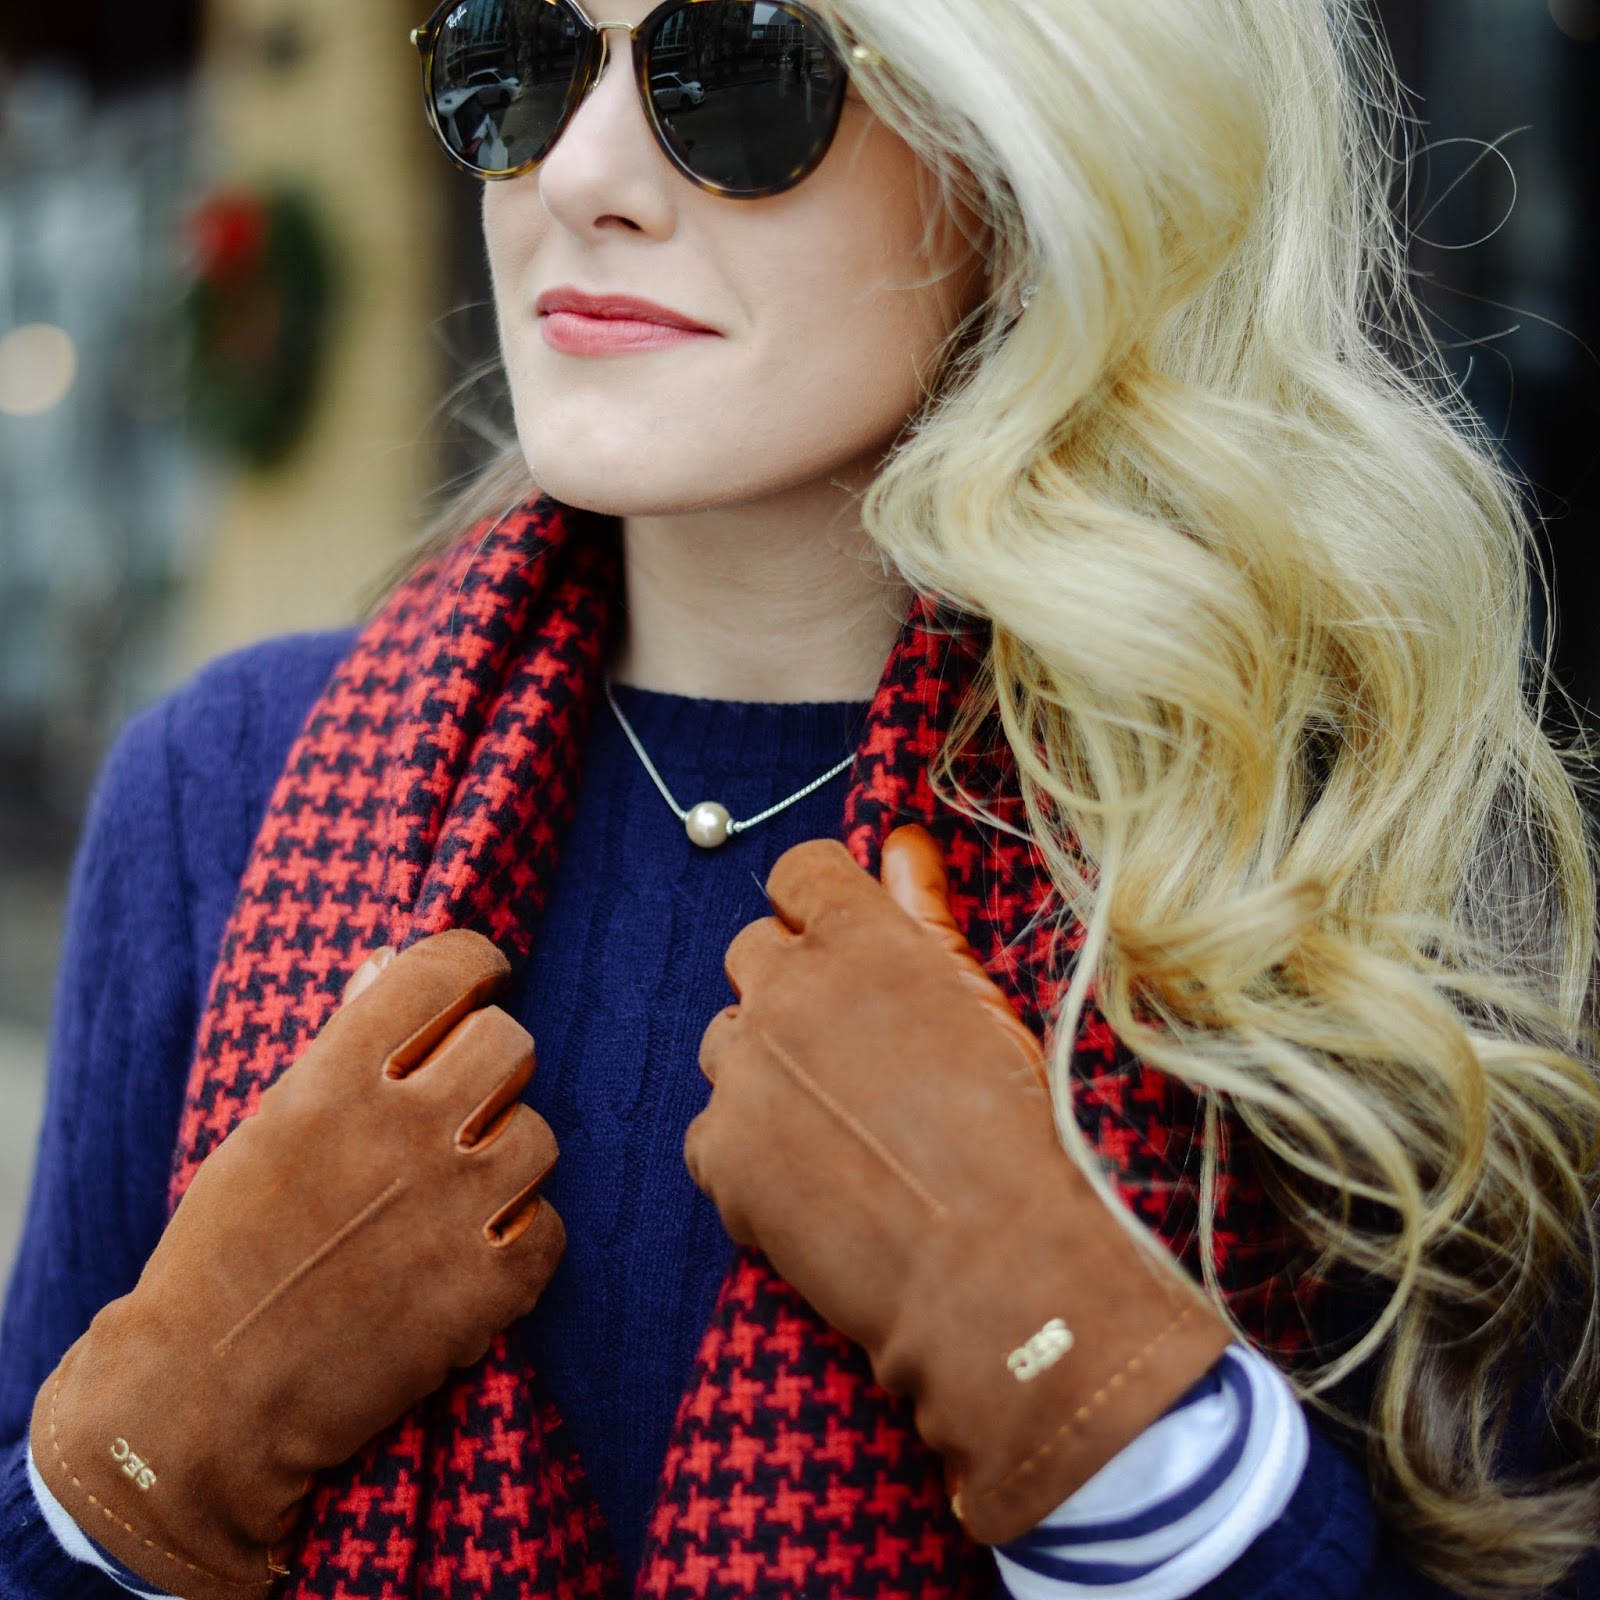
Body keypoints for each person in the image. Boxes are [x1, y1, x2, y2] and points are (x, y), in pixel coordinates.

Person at [2, 0, 1598, 1596]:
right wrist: (158, 1454)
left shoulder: (1326, 843)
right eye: (521, 55)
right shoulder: (228, 787)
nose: (581, 174)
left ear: (1033, 149)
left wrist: (1108, 1426)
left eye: (735, 66)